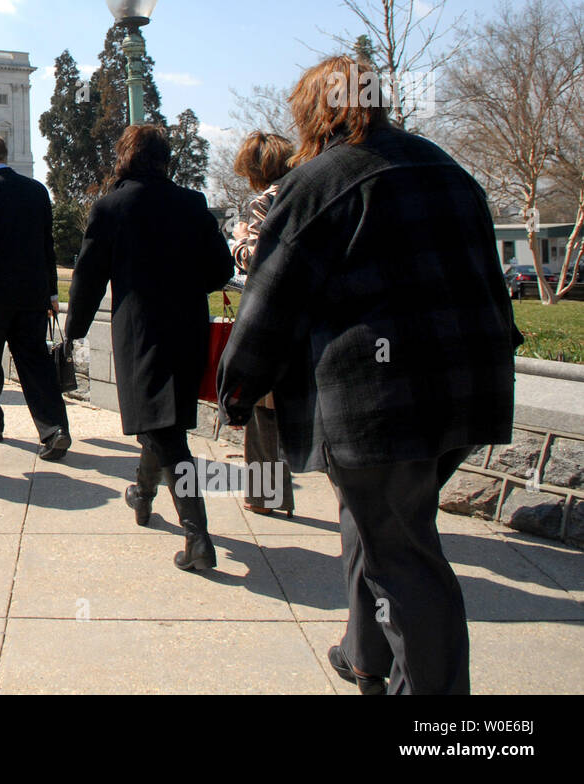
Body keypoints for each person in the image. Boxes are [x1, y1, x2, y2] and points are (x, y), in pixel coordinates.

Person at [217, 54, 522, 695]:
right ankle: (364, 649)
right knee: (378, 520)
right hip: (468, 387)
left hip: (381, 398)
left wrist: (237, 388)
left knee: (402, 553)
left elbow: (270, 302)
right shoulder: (447, 168)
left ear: (310, 113)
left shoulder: (318, 182)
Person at [66, 125, 235, 570]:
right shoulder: (192, 203)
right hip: (187, 328)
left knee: (165, 430)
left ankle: (198, 536)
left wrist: (74, 330)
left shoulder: (111, 206)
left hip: (141, 331)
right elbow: (220, 268)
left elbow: (87, 276)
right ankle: (142, 493)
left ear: (126, 157)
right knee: (161, 421)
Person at [0, 131, 71, 461]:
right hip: (32, 295)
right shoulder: (37, 192)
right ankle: (54, 430)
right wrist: (51, 290)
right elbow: (47, 247)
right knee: (36, 362)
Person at [230, 131, 297, 517]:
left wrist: (239, 238)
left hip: (271, 320)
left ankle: (265, 495)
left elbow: (255, 260)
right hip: (309, 320)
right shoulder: (309, 190)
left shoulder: (265, 201)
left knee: (262, 409)